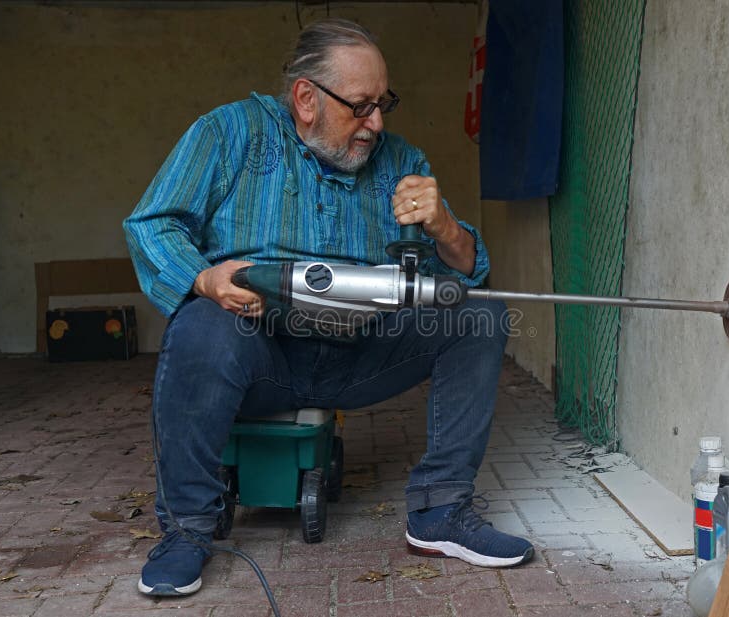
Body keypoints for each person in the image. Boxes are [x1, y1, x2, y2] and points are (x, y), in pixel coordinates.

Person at [124, 17, 534, 598]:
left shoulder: (400, 161)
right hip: (259, 353)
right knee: (200, 321)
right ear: (306, 98)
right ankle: (187, 531)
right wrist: (205, 277)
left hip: (361, 353)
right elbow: (152, 224)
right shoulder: (230, 134)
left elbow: (462, 273)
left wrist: (445, 228)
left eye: (384, 103)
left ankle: (441, 510)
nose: (377, 123)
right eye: (362, 106)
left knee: (479, 313)